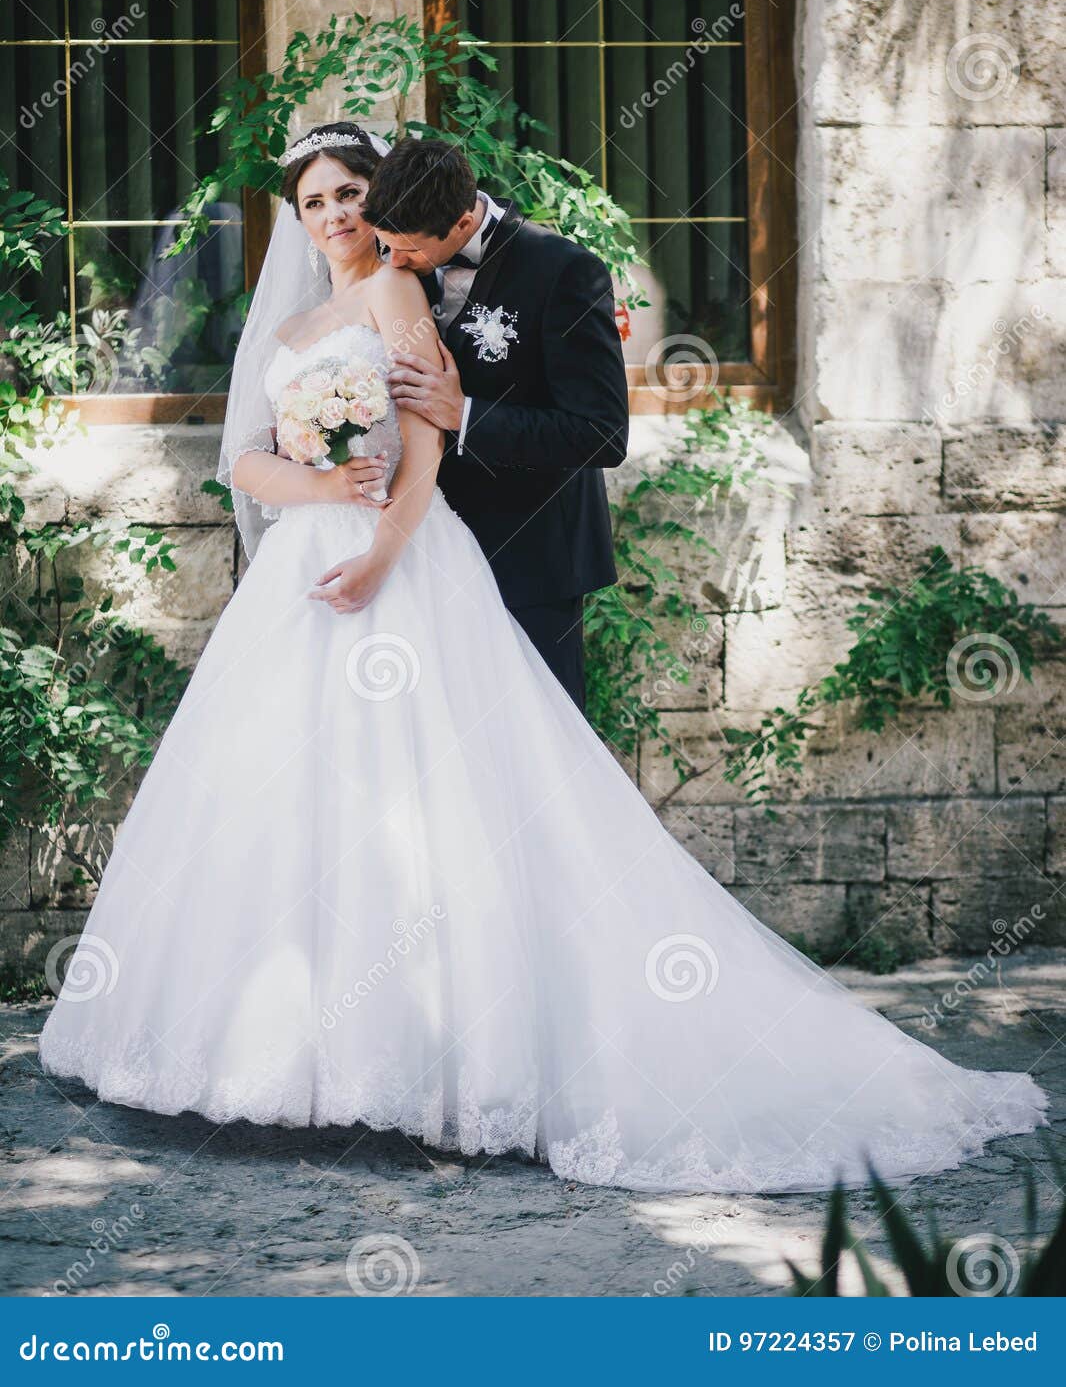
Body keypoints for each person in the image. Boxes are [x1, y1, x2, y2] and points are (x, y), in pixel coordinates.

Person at [37, 124, 1049, 1195]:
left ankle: (531, 1044)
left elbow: (579, 428)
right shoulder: (299, 320)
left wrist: (394, 525)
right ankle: (323, 1052)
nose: (347, 220)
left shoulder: (534, 272)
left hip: (479, 566)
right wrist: (320, 488)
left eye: (359, 199)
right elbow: (257, 451)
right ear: (297, 218)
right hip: (346, 567)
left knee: (524, 811)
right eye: (321, 202)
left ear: (412, 210)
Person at [361, 139, 630, 712]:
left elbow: (601, 435)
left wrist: (464, 416)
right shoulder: (393, 257)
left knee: (541, 745)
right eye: (385, 246)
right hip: (429, 550)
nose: (391, 264)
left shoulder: (565, 273)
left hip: (531, 558)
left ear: (462, 222)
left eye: (406, 253)